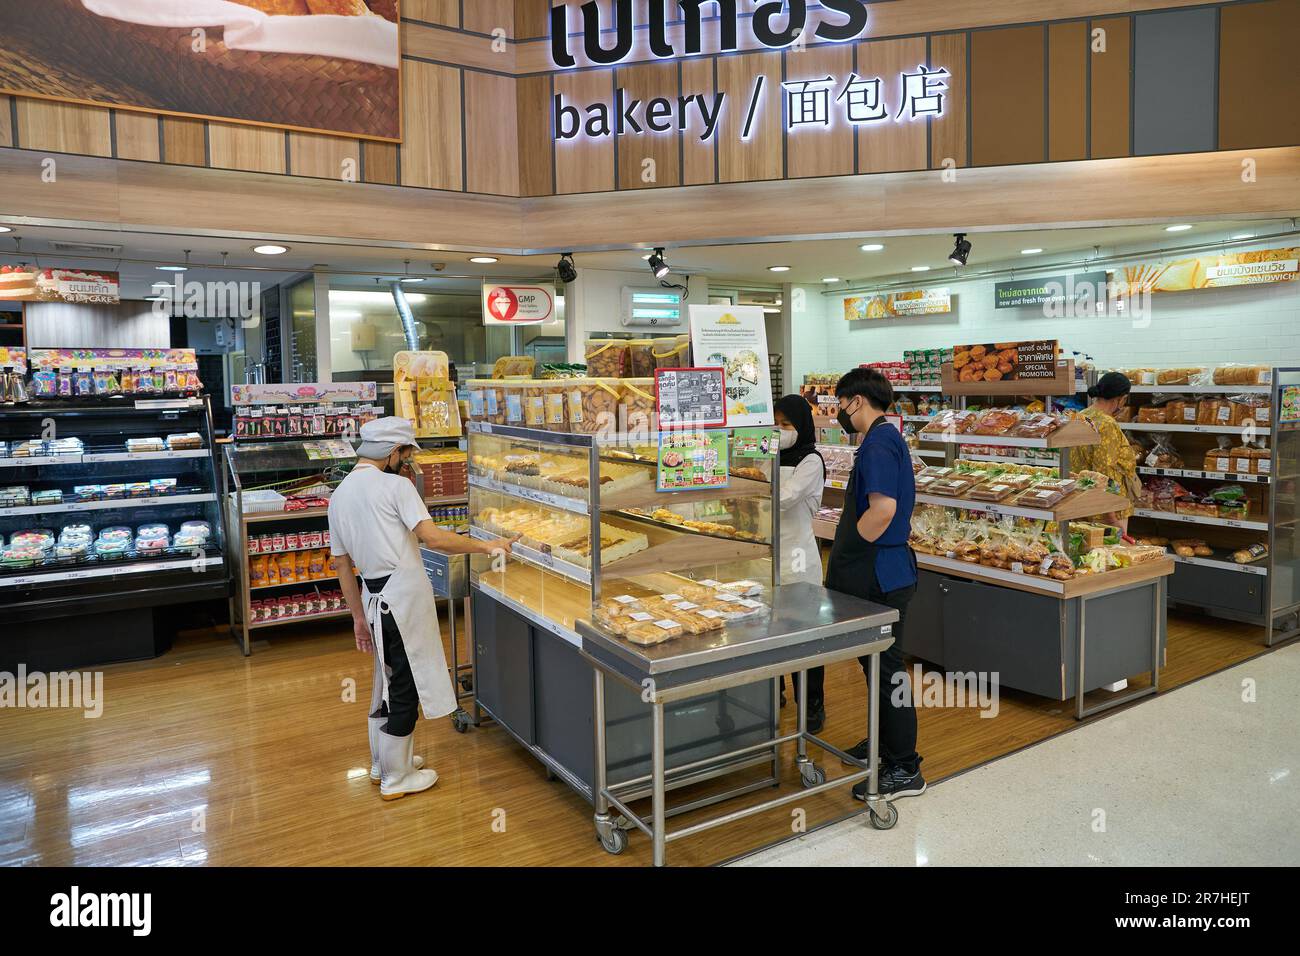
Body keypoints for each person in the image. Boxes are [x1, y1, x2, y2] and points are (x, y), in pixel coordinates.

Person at [329, 416, 513, 801]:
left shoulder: (340, 493)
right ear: (393, 452)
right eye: (407, 454)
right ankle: (398, 778)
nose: (409, 461)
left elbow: (342, 565)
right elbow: (431, 537)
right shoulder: (396, 487)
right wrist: (486, 546)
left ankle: (385, 764)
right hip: (401, 600)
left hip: (372, 599)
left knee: (386, 680)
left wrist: (358, 620)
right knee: (405, 686)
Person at [822, 368, 926, 802]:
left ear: (856, 401)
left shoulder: (880, 442)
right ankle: (884, 744)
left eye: (840, 404)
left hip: (880, 573)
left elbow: (882, 511)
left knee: (886, 671)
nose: (838, 412)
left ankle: (905, 768)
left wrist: (855, 550)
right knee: (874, 666)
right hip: (882, 570)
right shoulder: (883, 438)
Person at [772, 395, 827, 728]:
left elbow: (786, 497)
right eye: (775, 424)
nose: (780, 431)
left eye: (787, 425)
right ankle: (773, 692)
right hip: (769, 556)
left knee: (804, 634)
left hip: (798, 556)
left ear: (801, 425)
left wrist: (749, 487)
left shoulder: (811, 460)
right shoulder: (769, 454)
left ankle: (812, 705)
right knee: (771, 630)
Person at [1073, 371, 1140, 534]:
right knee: (1109, 556)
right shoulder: (1107, 424)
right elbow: (1104, 473)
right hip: (1105, 510)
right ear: (1121, 398)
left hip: (1079, 501)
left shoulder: (1080, 417)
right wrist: (1112, 519)